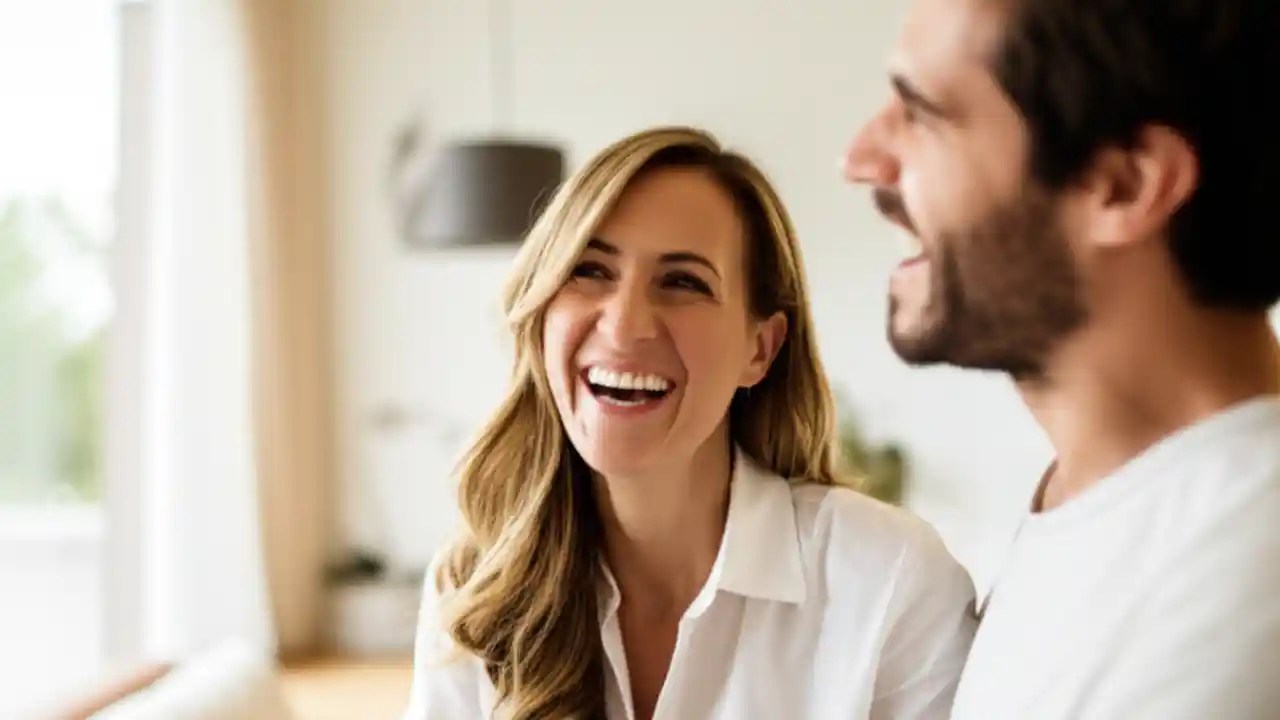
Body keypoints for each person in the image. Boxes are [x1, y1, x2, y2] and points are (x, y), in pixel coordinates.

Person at [403, 126, 976, 720]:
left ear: (760, 348)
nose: (624, 327)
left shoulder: (891, 581)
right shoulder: (475, 589)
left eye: (683, 282)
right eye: (589, 270)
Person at [844, 0, 1280, 717]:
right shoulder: (1101, 504)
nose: (860, 158)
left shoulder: (1243, 583)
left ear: (1123, 188)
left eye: (920, 113)